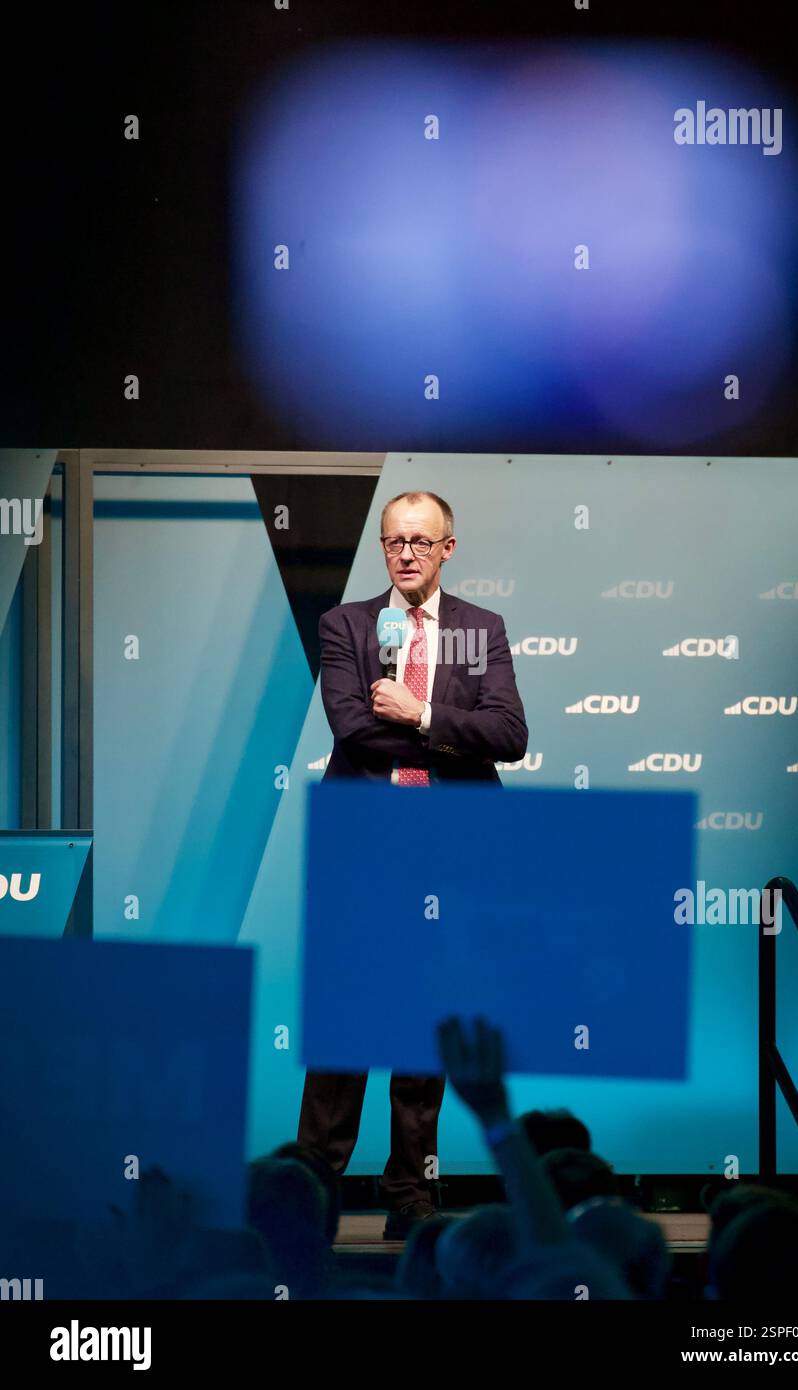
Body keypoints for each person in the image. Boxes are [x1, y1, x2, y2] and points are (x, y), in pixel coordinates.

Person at [297, 491, 528, 1240]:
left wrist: (420, 714)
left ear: (448, 548)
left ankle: (411, 1194)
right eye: (394, 540)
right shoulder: (348, 625)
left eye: (421, 542)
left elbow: (510, 734)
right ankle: (312, 1188)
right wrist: (446, 740)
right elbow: (351, 727)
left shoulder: (481, 630)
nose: (405, 554)